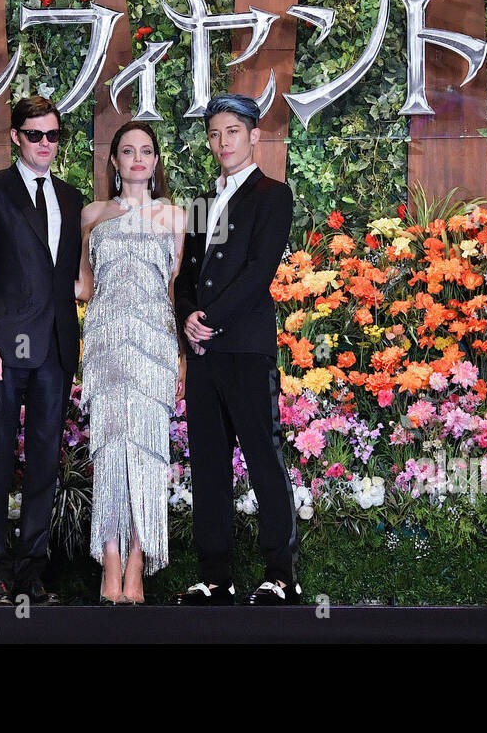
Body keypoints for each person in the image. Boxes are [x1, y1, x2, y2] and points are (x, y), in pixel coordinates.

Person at [173, 93, 301, 605]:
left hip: (245, 348)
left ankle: (282, 576)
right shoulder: (204, 203)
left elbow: (259, 271)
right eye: (214, 133)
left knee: (263, 457)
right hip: (204, 354)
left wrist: (212, 321)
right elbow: (187, 274)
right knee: (208, 463)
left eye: (232, 131)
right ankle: (216, 577)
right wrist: (187, 317)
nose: (222, 142)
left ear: (254, 136)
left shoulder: (272, 194)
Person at [0, 96, 84, 605]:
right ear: (16, 137)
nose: (45, 144)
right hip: (3, 350)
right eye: (35, 135)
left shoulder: (72, 197)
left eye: (53, 135)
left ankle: (32, 570)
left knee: (43, 466)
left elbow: (71, 277)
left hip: (55, 349)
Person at [76, 121, 187, 604]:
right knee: (108, 453)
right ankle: (111, 561)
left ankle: (138, 562)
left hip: (155, 348)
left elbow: (175, 290)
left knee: (146, 455)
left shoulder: (175, 216)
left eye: (146, 151)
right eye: (128, 151)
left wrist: (182, 355)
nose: (138, 159)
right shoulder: (93, 214)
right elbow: (83, 287)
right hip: (103, 346)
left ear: (156, 161)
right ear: (115, 161)